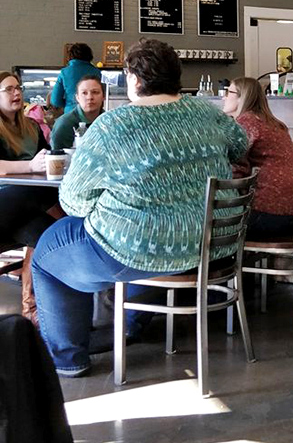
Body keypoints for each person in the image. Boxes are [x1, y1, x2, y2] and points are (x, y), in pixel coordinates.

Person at [31, 39, 248, 377]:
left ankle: (69, 360)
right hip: (211, 244)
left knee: (46, 255)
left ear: (133, 78)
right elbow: (240, 145)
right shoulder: (207, 112)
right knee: (135, 242)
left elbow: (72, 201)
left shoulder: (113, 125)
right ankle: (131, 323)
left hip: (139, 248)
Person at [223, 76, 293, 236]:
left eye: (228, 92)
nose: (223, 97)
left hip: (267, 215)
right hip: (291, 214)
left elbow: (234, 170)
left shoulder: (247, 122)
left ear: (242, 97)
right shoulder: (273, 123)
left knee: (207, 223)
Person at [0, 70, 59, 254]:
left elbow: (45, 156)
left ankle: (30, 276)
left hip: (25, 209)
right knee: (34, 191)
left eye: (18, 88)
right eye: (9, 89)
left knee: (53, 237)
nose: (17, 92)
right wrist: (31, 166)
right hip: (7, 198)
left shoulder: (32, 126)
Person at [50, 76, 105, 150]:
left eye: (95, 92)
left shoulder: (109, 122)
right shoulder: (64, 124)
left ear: (103, 96)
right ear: (77, 97)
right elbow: (57, 154)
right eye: (84, 93)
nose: (89, 97)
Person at [51, 44, 100, 113]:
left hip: (71, 112)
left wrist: (68, 104)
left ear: (70, 56)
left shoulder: (65, 72)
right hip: (93, 113)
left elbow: (55, 100)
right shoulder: (97, 72)